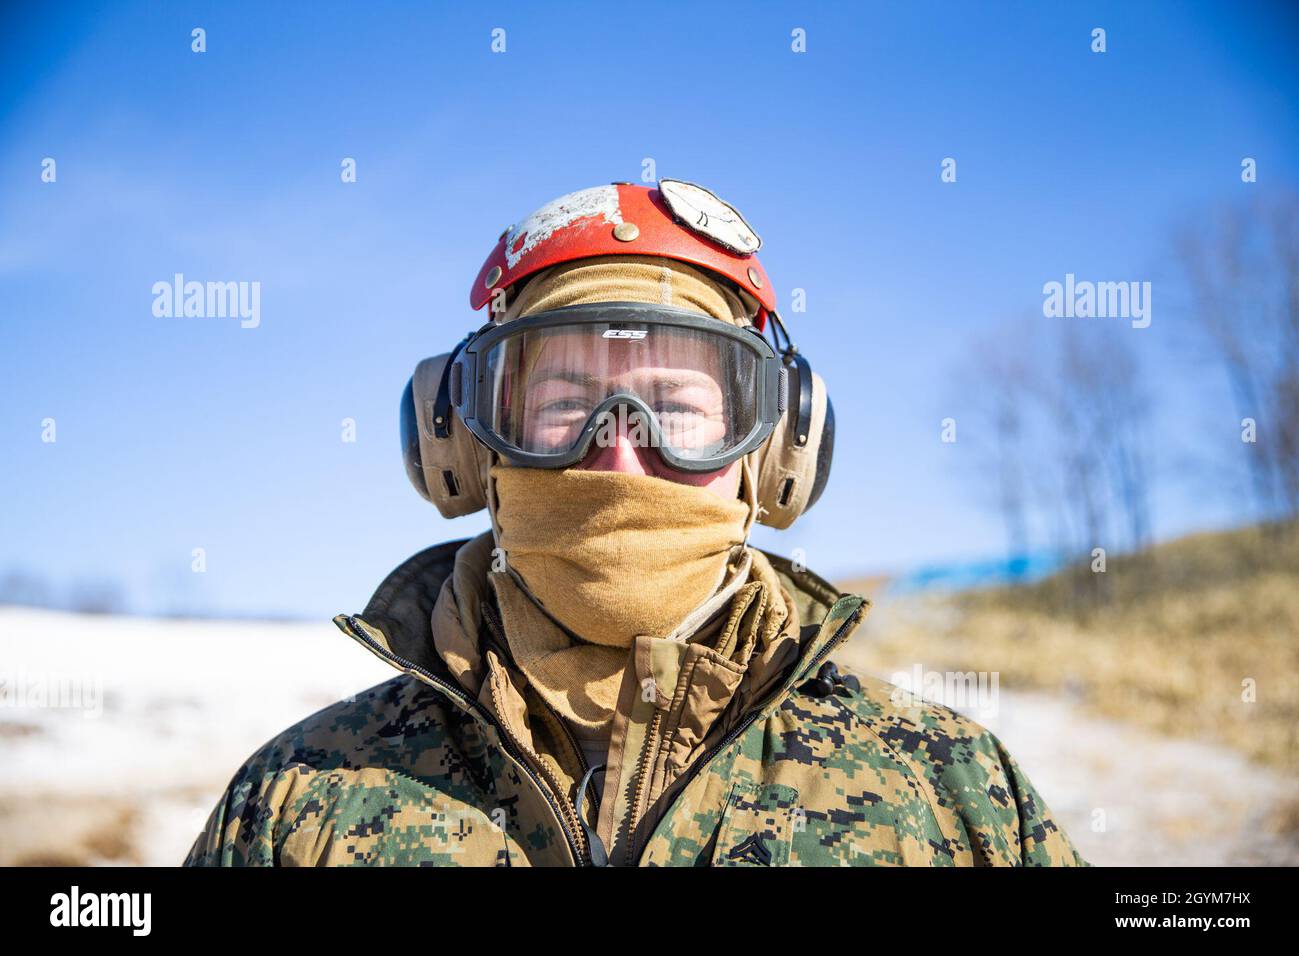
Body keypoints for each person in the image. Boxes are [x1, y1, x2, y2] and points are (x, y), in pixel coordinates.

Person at [184, 181, 1085, 867]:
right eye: (564, 403)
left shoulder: (952, 792)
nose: (618, 455)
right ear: (463, 440)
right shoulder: (297, 803)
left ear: (775, 453)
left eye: (679, 410)